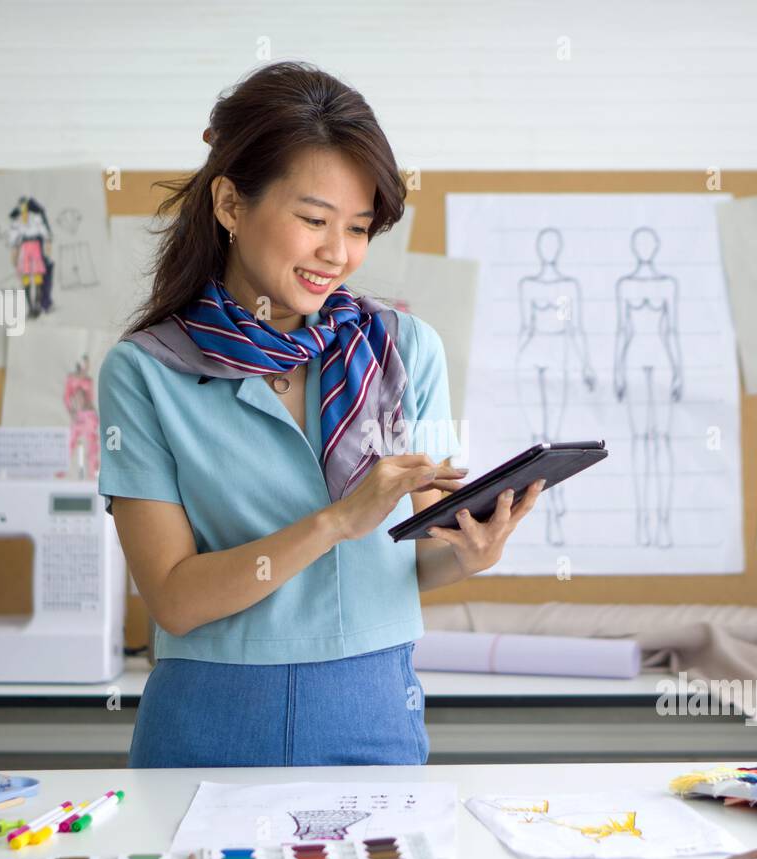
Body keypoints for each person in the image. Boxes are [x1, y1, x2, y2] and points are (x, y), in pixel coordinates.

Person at [97, 61, 544, 768]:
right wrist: (337, 521)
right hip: (207, 726)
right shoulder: (147, 372)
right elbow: (174, 599)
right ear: (230, 205)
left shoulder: (405, 351)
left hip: (373, 714)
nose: (337, 254)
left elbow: (412, 562)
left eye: (360, 228)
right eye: (313, 220)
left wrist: (471, 554)